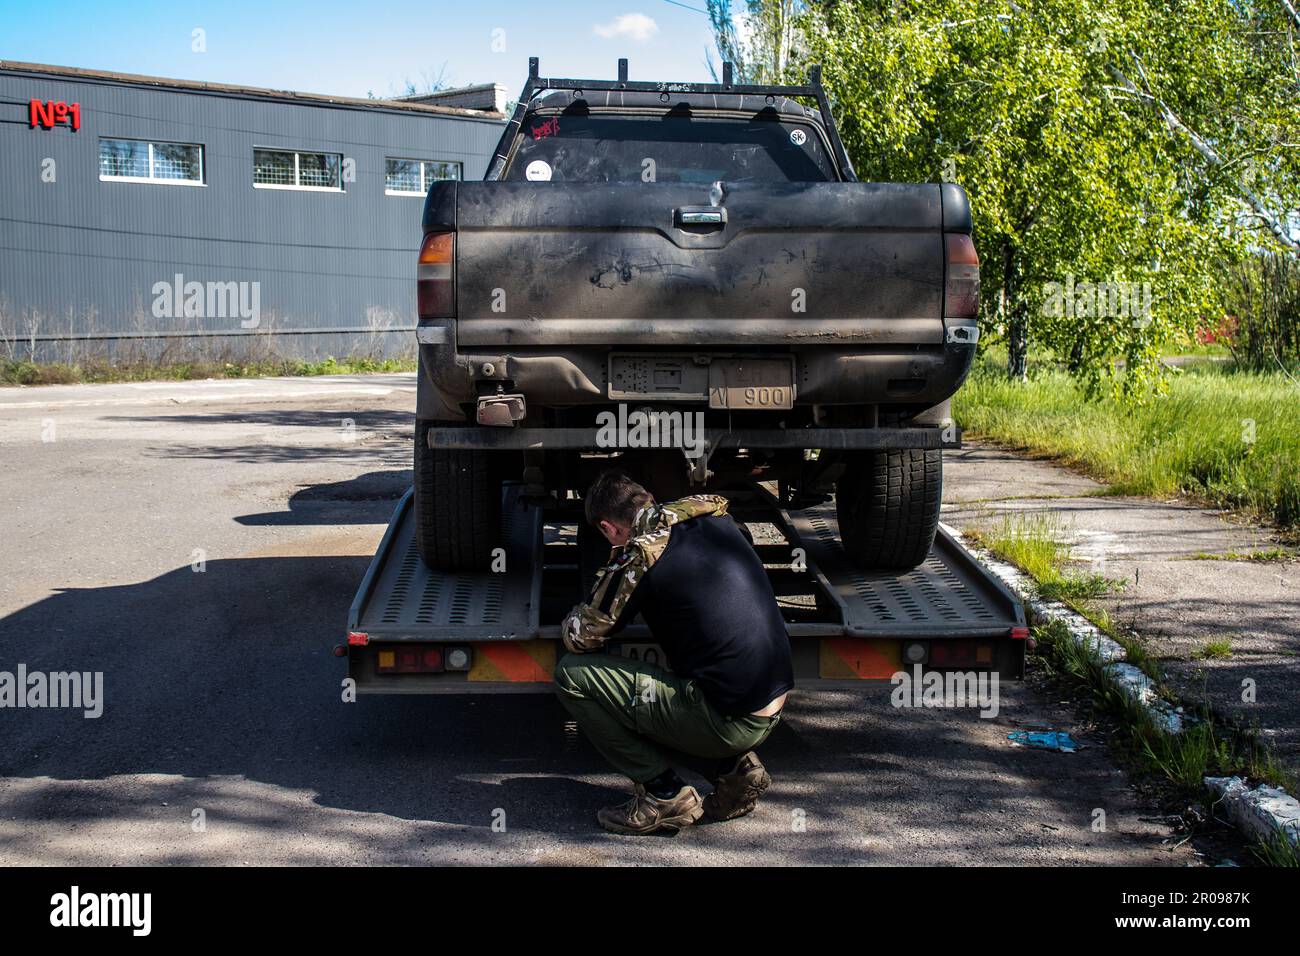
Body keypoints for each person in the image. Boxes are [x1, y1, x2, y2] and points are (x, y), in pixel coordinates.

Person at [554, 469, 794, 835]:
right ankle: (734, 772)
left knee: (572, 675)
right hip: (772, 702)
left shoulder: (639, 552)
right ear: (647, 496)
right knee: (679, 687)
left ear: (608, 527)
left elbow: (583, 636)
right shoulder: (713, 516)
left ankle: (663, 794)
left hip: (726, 720)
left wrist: (602, 583)